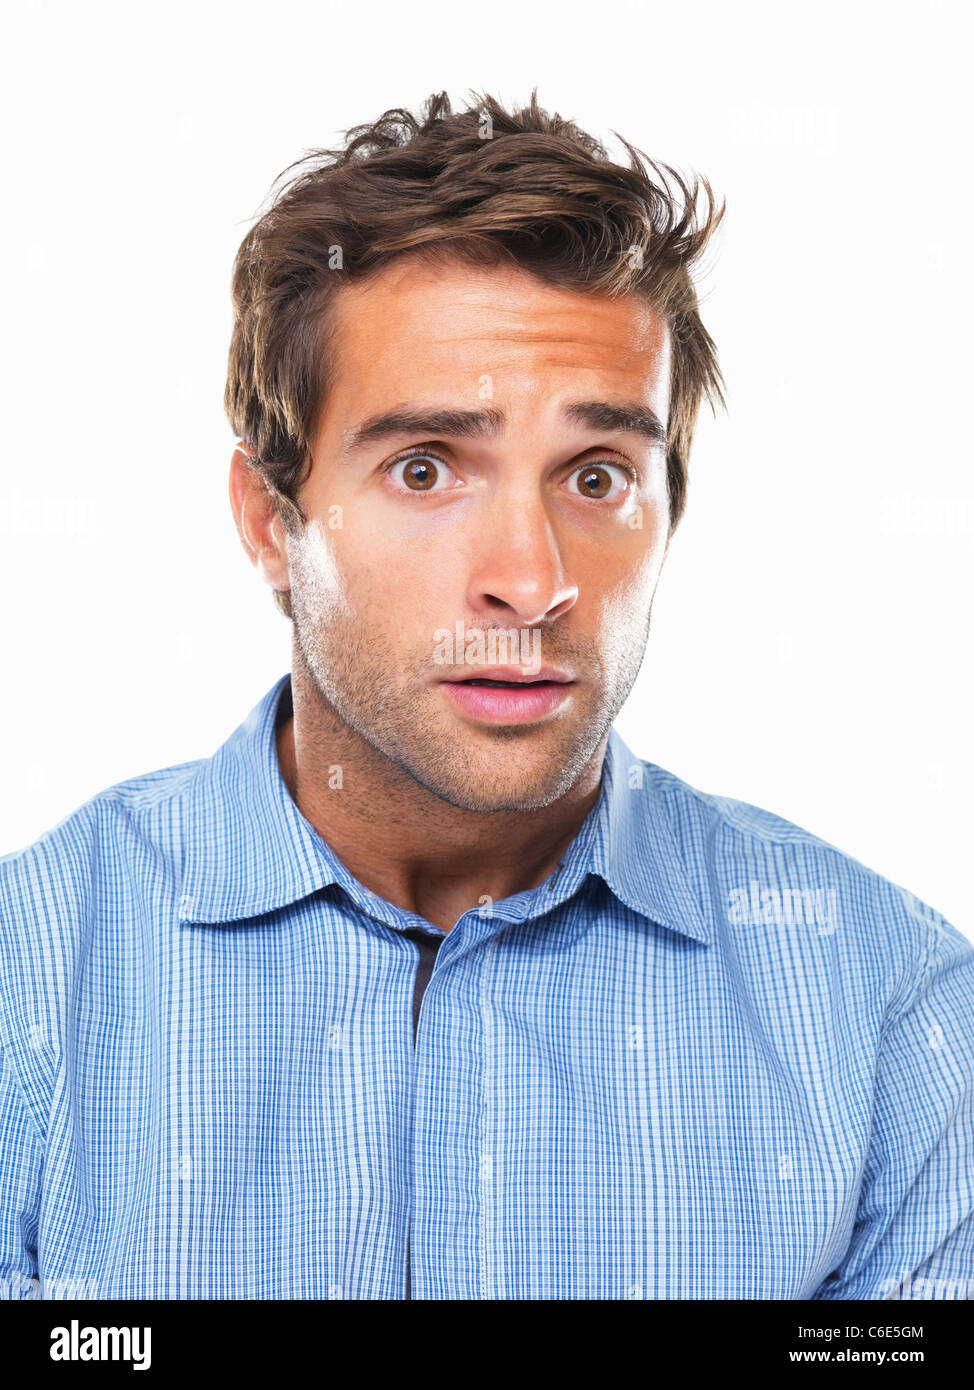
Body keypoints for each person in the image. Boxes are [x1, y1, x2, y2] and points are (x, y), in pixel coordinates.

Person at [1, 90, 971, 1301]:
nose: (530, 581)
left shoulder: (894, 1014)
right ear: (270, 521)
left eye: (597, 474)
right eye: (424, 468)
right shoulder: (29, 980)